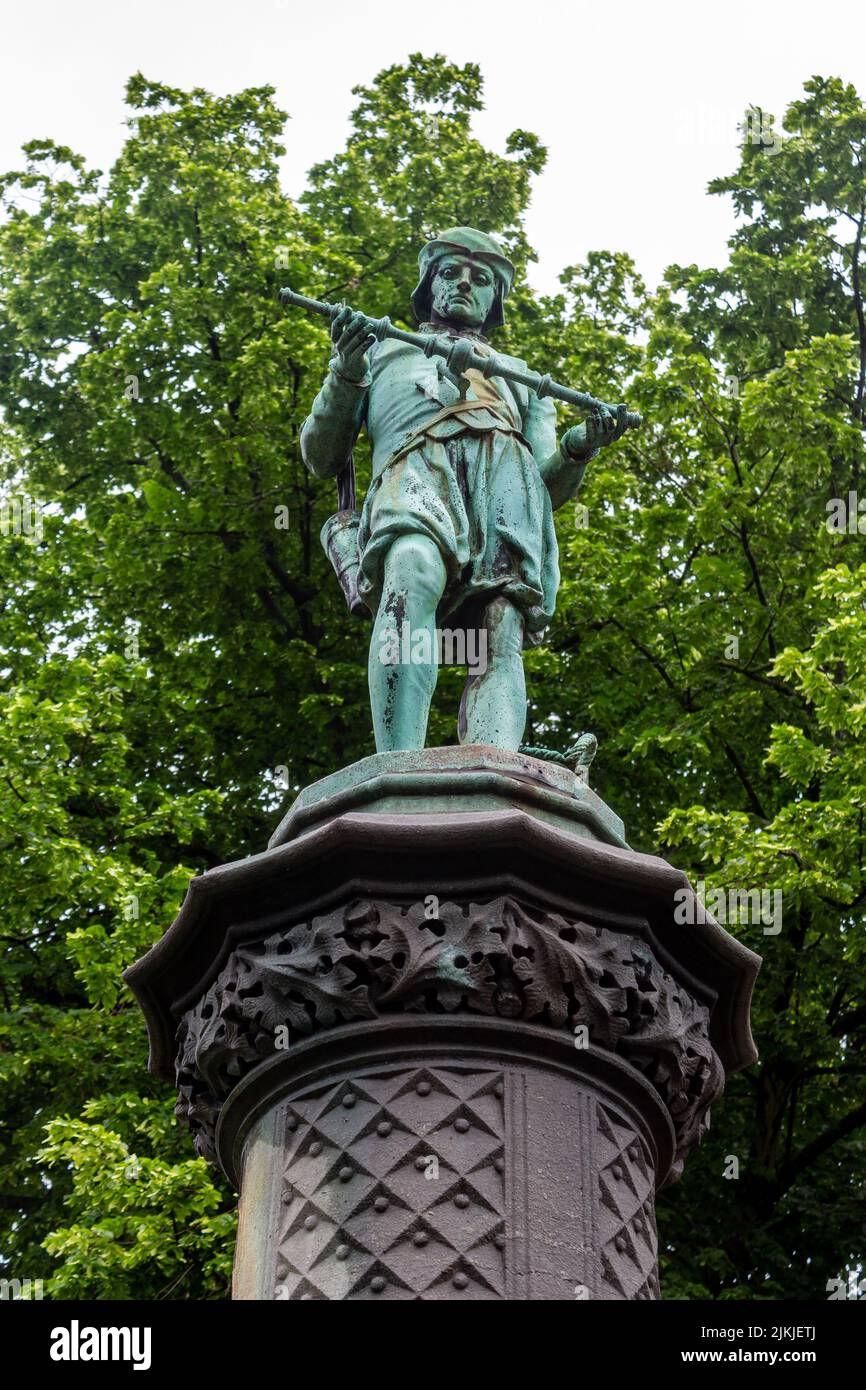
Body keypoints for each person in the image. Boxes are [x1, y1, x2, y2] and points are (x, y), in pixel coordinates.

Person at [301, 227, 629, 752]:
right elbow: (321, 456)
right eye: (449, 273)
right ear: (428, 285)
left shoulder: (524, 378)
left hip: (506, 492)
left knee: (498, 630)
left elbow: (547, 487)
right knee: (411, 569)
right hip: (415, 477)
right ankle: (398, 769)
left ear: (493, 300)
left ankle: (495, 772)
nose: (462, 285)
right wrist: (346, 371)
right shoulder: (380, 348)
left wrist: (578, 446)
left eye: (480, 279)